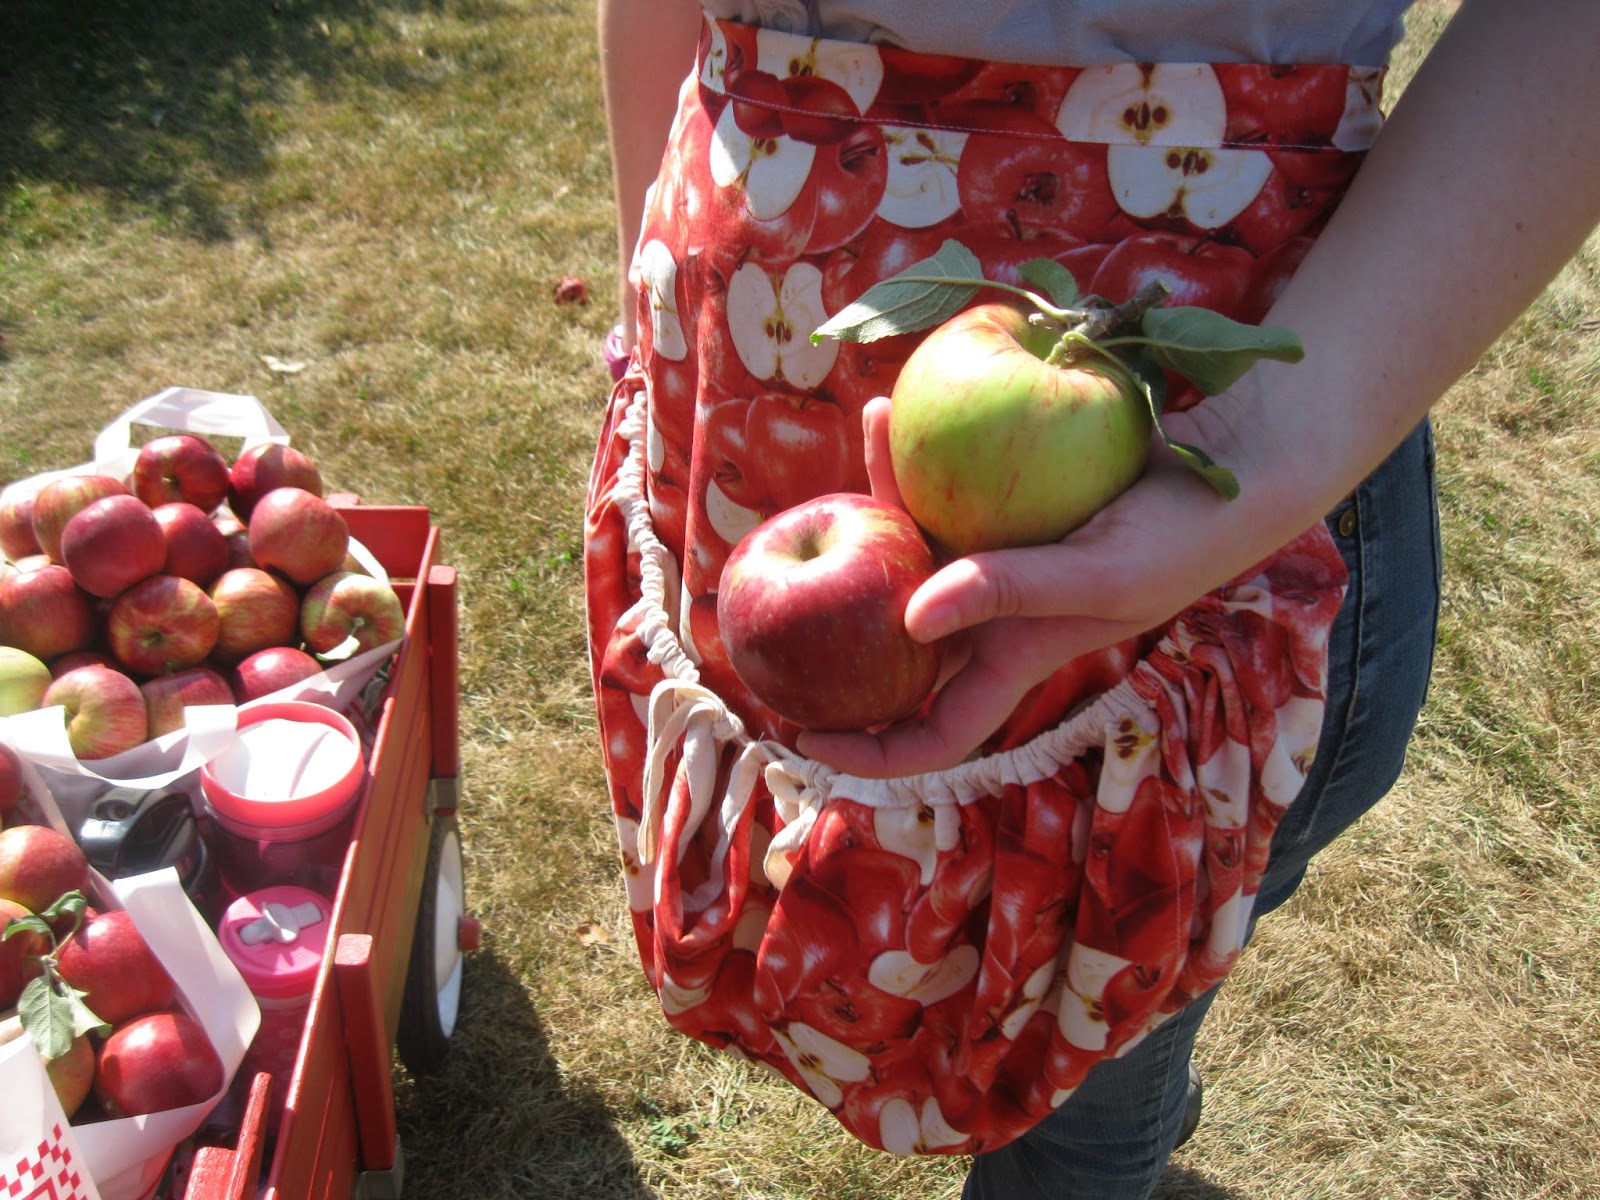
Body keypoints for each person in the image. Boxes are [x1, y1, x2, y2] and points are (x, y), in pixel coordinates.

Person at [586, 2, 1600, 1196]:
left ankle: (1115, 1119)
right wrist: (659, 292)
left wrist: (1257, 445)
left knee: (1096, 1038)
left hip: (1204, 480)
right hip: (748, 401)